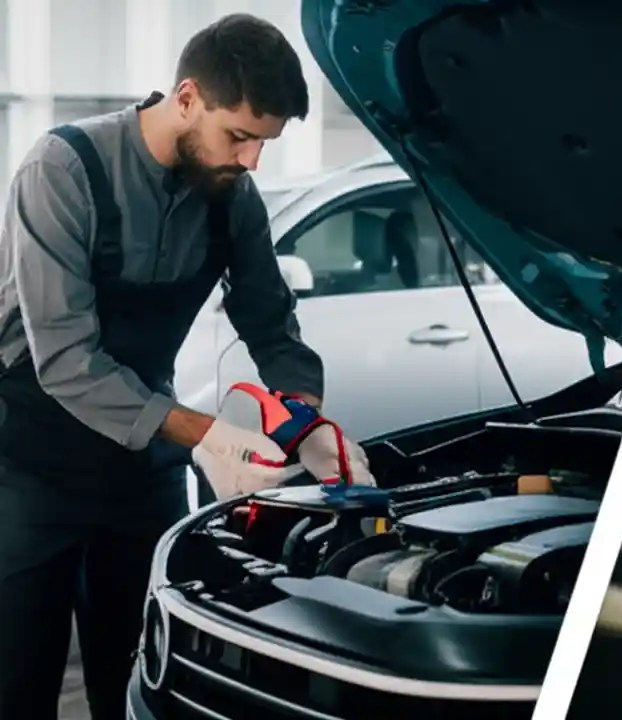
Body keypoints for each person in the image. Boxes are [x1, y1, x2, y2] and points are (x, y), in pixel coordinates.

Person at [0, 13, 368, 720]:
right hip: (30, 460)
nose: (253, 160)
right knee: (20, 673)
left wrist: (303, 418)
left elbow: (270, 321)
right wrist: (210, 436)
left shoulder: (233, 195)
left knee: (142, 672)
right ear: (189, 97)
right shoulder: (63, 169)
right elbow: (67, 358)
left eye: (264, 142)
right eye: (240, 135)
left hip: (141, 470)